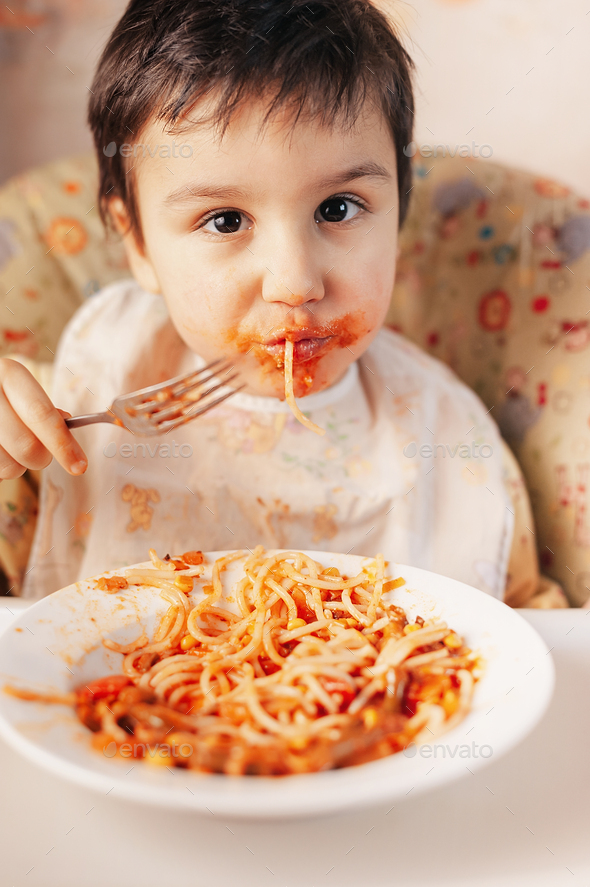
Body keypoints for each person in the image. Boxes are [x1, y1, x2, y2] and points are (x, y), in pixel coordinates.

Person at [0, 0, 565, 606]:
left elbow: (531, 636)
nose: (295, 283)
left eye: (338, 208)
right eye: (224, 220)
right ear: (136, 244)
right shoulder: (68, 408)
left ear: (400, 211)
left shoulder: (451, 441)